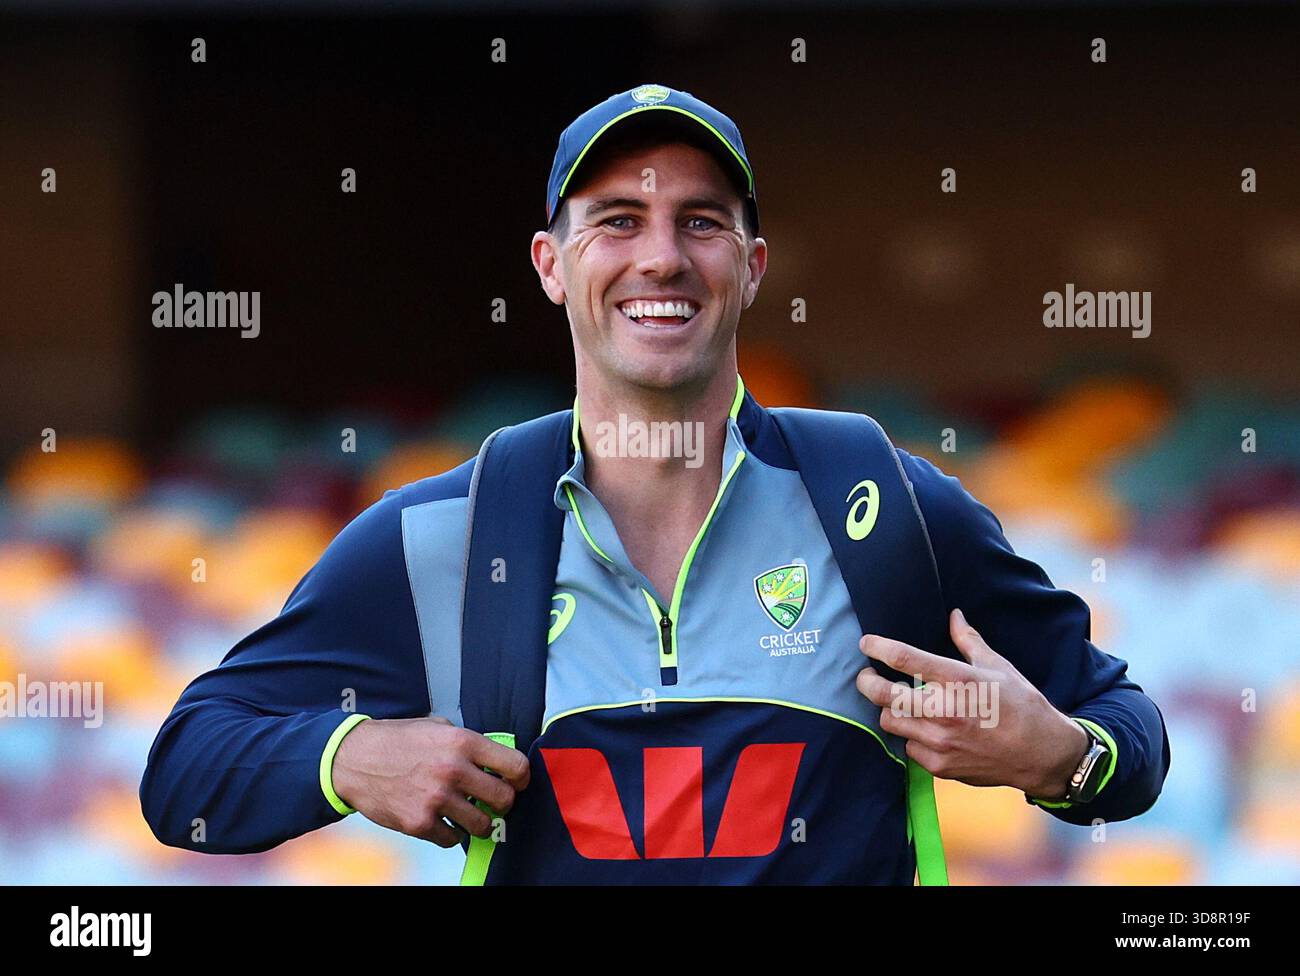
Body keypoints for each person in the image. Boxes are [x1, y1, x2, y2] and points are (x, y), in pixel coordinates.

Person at [141, 83, 1170, 884]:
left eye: (702, 221)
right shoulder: (443, 535)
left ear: (754, 264)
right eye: (618, 220)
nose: (663, 258)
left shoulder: (888, 509)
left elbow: (1126, 732)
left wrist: (1060, 760)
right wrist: (350, 755)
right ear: (550, 263)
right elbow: (187, 771)